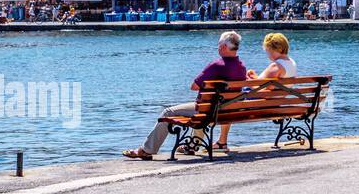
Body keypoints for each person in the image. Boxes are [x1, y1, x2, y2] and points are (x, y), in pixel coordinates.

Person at [123, 31, 246, 160]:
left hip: (210, 110)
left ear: (224, 47)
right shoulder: (241, 66)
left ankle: (147, 150)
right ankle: (192, 146)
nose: (218, 47)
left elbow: (194, 86)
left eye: (219, 45)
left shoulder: (217, 65)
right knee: (201, 110)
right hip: (227, 110)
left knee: (168, 112)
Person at [213, 32, 298, 151]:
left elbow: (260, 88)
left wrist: (248, 79)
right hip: (277, 102)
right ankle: (222, 142)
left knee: (229, 98)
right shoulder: (291, 63)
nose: (267, 54)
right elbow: (268, 86)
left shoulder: (276, 66)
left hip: (263, 103)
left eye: (267, 50)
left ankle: (222, 141)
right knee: (233, 96)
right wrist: (255, 78)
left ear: (271, 49)